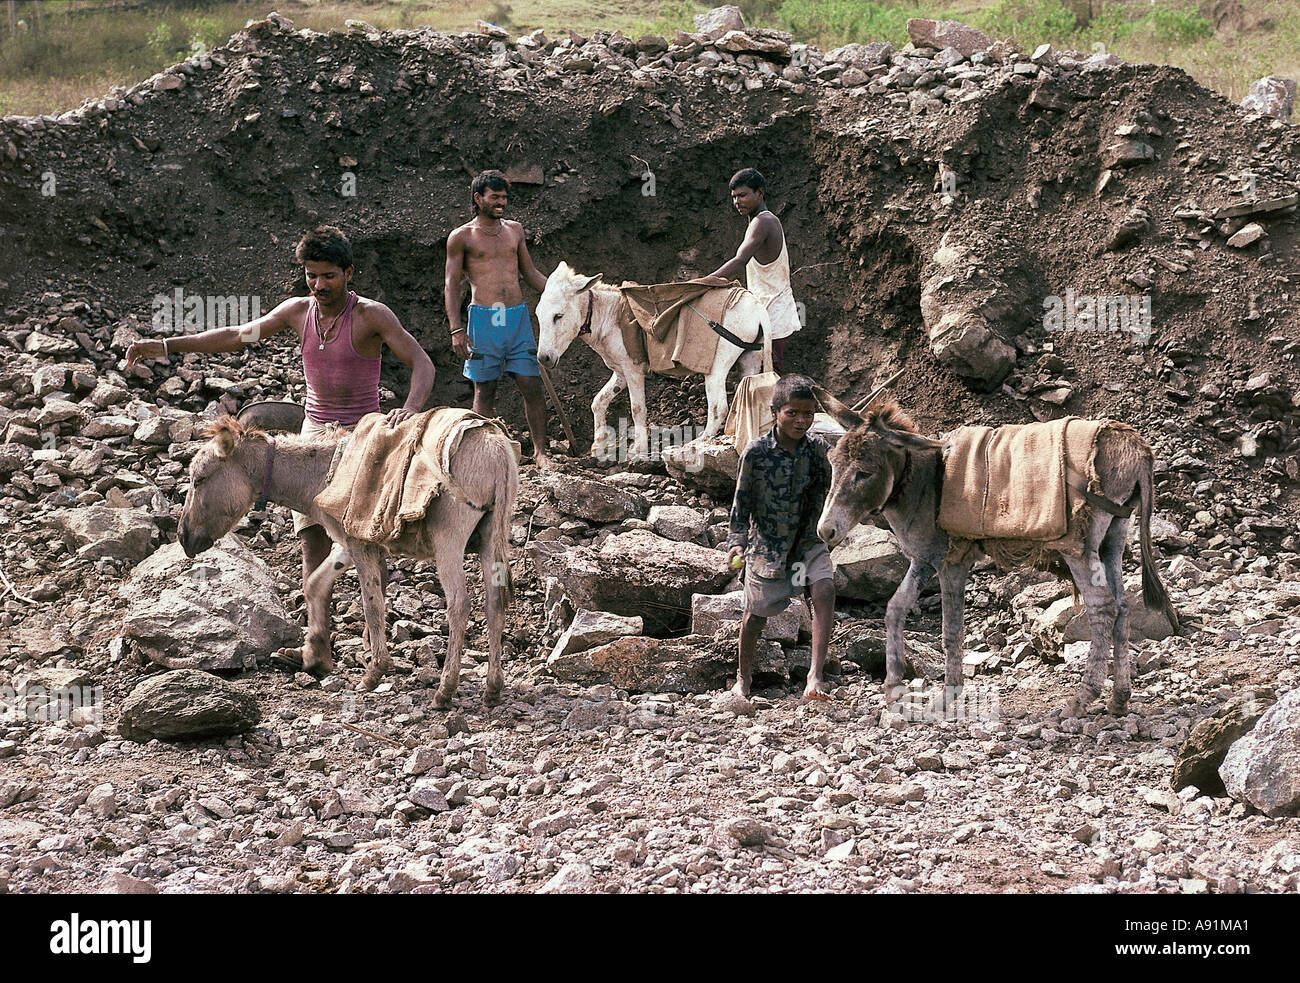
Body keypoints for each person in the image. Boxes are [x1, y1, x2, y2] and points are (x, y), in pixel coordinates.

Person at [126, 226, 434, 660]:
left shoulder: (371, 316)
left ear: (349, 273)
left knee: (365, 538)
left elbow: (422, 363)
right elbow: (238, 335)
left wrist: (411, 407)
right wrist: (164, 345)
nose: (320, 285)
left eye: (329, 276)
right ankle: (318, 645)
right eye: (311, 276)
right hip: (312, 436)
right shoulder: (296, 312)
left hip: (362, 438)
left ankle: (374, 642)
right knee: (311, 538)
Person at [724, 374, 836, 700]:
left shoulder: (818, 451)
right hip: (768, 548)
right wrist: (737, 543)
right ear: (775, 411)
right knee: (756, 616)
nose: (801, 421)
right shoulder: (756, 453)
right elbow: (741, 503)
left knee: (824, 588)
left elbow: (841, 481)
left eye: (808, 414)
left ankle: (815, 677)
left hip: (807, 543)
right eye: (793, 413)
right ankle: (742, 678)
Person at [444, 170, 551, 467]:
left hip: (515, 318)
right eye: (495, 197)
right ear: (479, 199)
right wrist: (456, 329)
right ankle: (481, 458)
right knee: (485, 388)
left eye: (504, 197)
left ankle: (541, 452)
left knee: (531, 384)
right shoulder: (462, 237)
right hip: (484, 320)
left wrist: (561, 292)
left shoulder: (514, 230)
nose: (501, 202)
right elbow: (451, 285)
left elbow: (530, 273)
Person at [706, 168, 802, 371]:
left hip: (774, 312)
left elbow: (740, 260)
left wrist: (705, 282)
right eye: (733, 197)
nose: (737, 202)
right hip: (766, 312)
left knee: (768, 374)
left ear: (759, 193)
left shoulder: (764, 222)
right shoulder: (757, 222)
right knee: (760, 373)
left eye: (742, 195)